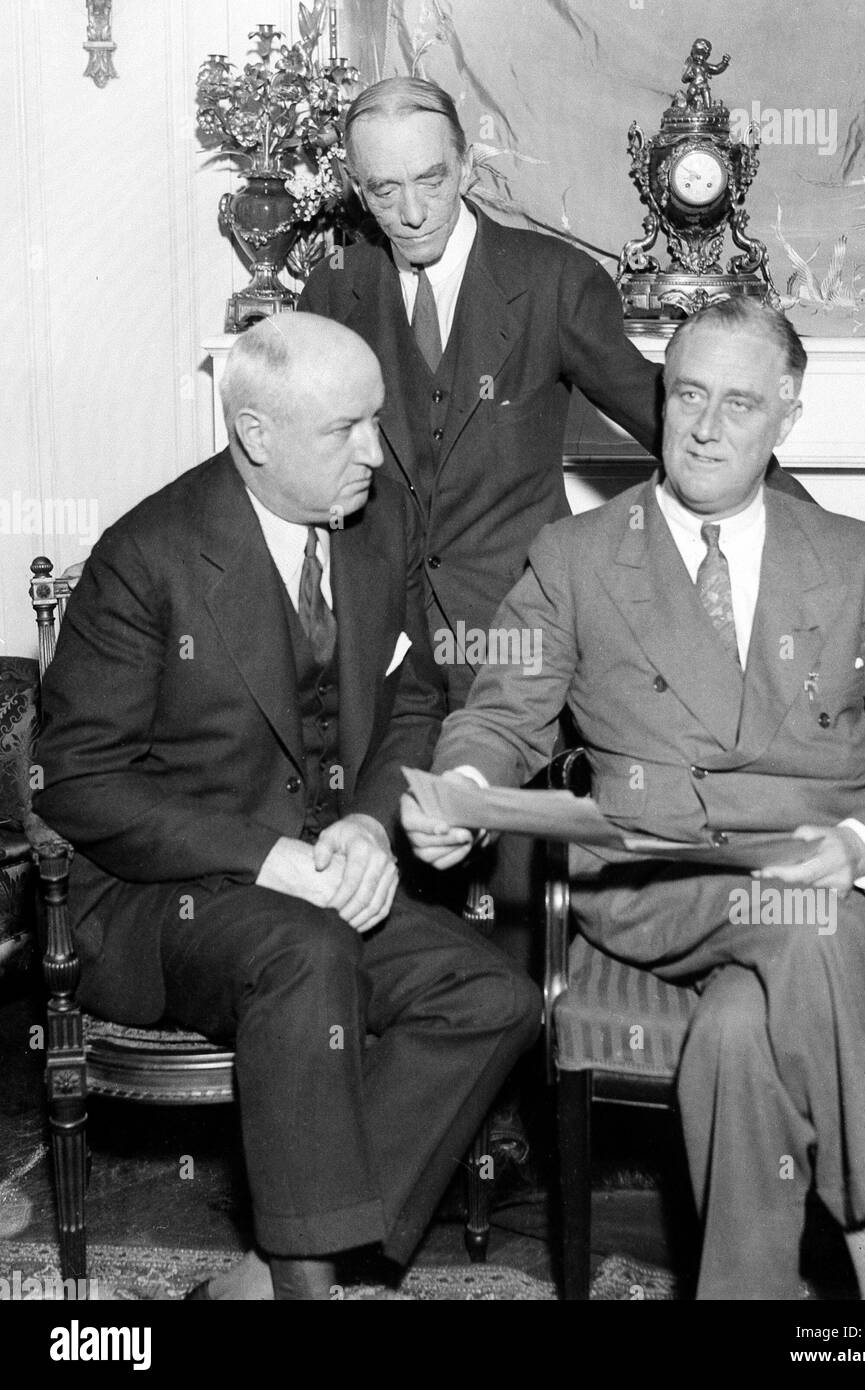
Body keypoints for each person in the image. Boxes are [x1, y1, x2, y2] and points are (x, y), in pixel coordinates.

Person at [402, 297, 865, 1300]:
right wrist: (464, 787)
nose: (706, 427)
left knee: (741, 1030)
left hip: (829, 870)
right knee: (804, 923)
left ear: (787, 414)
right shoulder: (576, 556)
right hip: (661, 878)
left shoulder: (856, 557)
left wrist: (864, 843)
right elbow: (502, 714)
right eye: (688, 395)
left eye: (739, 404)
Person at [35, 315, 540, 1301]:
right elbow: (78, 778)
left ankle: (270, 1273)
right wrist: (267, 857)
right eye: (344, 429)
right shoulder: (148, 554)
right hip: (165, 897)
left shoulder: (380, 522)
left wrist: (371, 823)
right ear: (256, 435)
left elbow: (414, 702)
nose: (374, 453)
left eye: (376, 421)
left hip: (322, 875)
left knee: (492, 997)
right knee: (306, 955)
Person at [299, 76, 812, 710]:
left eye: (431, 180)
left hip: (521, 638)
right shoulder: (332, 290)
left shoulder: (554, 279)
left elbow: (676, 421)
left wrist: (821, 545)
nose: (411, 212)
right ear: (356, 187)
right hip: (382, 652)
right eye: (384, 189)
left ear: (465, 166)